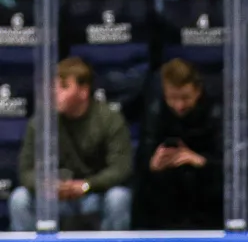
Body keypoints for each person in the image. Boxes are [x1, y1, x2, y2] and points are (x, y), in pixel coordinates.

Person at [9, 57, 133, 232]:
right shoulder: (41, 122)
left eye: (64, 87)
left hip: (93, 195)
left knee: (118, 197)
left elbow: (121, 168)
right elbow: (25, 171)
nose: (55, 93)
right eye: (54, 87)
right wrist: (47, 186)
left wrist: (86, 185)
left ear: (83, 91)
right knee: (19, 199)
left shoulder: (109, 119)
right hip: (54, 199)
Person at [136, 58, 221, 231]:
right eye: (172, 98)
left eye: (185, 98)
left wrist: (200, 161)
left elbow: (230, 166)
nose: (179, 105)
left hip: (205, 197)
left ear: (197, 91)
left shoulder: (215, 113)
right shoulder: (155, 112)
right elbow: (141, 160)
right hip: (166, 196)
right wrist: (152, 164)